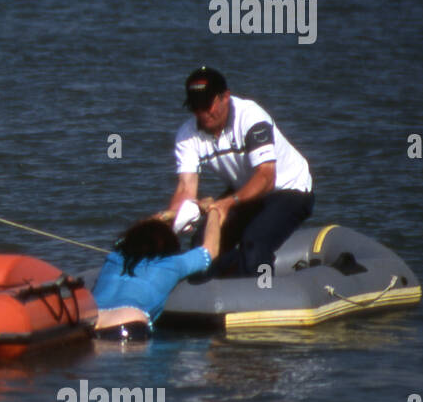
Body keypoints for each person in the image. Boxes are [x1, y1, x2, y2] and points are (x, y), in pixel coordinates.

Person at [164, 66, 314, 278]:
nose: (203, 113)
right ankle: (214, 291)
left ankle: (262, 294)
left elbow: (265, 178)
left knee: (255, 241)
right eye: (195, 107)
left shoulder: (251, 117)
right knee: (201, 242)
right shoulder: (186, 135)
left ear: (225, 96)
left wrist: (227, 203)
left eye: (207, 105)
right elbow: (186, 188)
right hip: (244, 191)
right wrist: (166, 228)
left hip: (289, 189)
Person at [92, 204, 225, 340]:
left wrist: (166, 215)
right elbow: (210, 249)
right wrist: (212, 209)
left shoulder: (114, 257)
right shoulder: (172, 264)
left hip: (90, 323)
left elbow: (139, 230)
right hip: (129, 325)